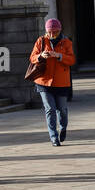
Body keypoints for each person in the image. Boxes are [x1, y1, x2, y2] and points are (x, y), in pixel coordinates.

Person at [30, 18, 76, 146]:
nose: (51, 35)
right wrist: (40, 56)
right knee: (50, 109)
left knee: (62, 109)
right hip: (44, 81)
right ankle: (53, 137)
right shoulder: (41, 41)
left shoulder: (66, 42)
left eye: (54, 32)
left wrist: (59, 56)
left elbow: (72, 60)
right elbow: (32, 57)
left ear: (59, 30)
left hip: (61, 82)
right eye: (49, 32)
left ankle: (63, 127)